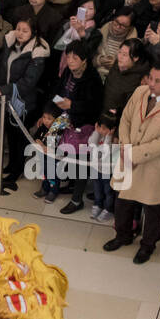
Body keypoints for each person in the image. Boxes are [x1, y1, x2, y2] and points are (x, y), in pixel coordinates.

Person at [105, 61, 160, 263]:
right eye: (150, 78)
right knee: (123, 201)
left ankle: (147, 245)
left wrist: (133, 153)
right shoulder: (140, 92)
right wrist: (125, 147)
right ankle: (122, 235)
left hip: (153, 165)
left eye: (157, 81)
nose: (151, 83)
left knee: (153, 208)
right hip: (127, 155)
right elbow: (125, 119)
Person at [0, 13, 51, 193]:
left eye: (25, 31)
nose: (20, 33)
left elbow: (29, 81)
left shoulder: (38, 51)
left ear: (33, 32)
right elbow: (1, 67)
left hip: (24, 102)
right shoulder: (10, 42)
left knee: (20, 137)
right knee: (10, 134)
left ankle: (17, 169)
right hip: (6, 99)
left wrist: (5, 89)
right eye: (18, 29)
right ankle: (11, 164)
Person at [46, 43, 106, 210]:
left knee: (80, 161)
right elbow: (56, 91)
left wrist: (72, 105)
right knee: (63, 154)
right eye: (68, 56)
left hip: (84, 125)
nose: (70, 60)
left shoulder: (92, 78)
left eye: (75, 57)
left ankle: (76, 199)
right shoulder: (68, 72)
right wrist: (58, 106)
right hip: (67, 120)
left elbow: (94, 105)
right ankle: (62, 185)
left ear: (84, 60)